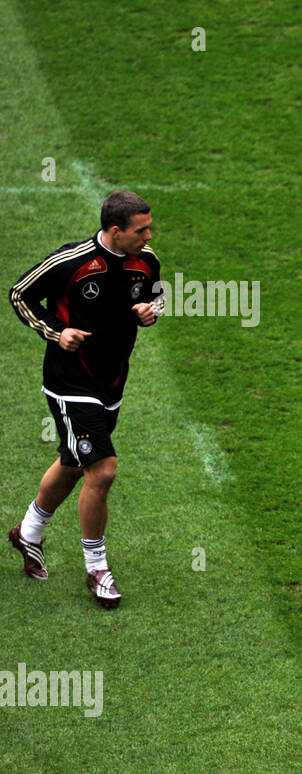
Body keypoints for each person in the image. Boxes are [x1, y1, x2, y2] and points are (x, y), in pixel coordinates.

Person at [9, 190, 162, 608]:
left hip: (112, 380)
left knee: (75, 463)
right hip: (69, 381)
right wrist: (57, 332)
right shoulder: (71, 262)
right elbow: (20, 295)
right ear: (116, 230)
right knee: (104, 470)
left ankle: (28, 532)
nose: (149, 235)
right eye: (141, 229)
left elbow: (156, 294)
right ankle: (97, 567)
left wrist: (152, 309)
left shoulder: (145, 260)